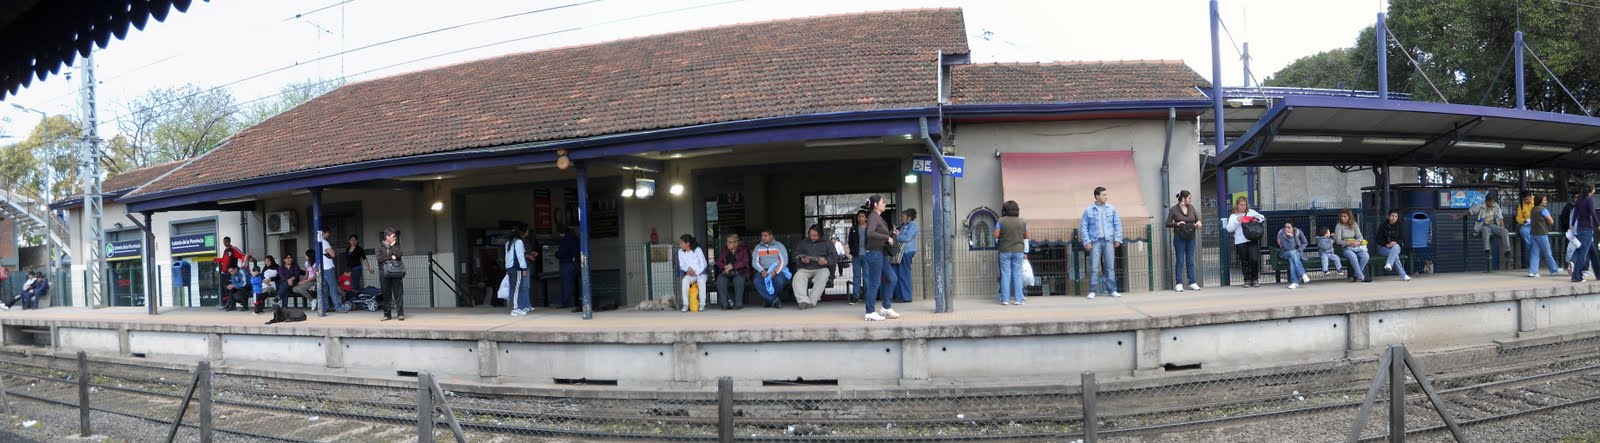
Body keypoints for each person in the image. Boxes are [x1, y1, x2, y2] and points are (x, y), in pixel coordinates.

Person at [861, 195, 900, 321]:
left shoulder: (876, 217)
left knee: (892, 278)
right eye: (883, 202)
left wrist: (891, 235)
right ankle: (870, 311)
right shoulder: (873, 216)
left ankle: (886, 308)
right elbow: (870, 233)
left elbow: (877, 234)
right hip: (874, 253)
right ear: (876, 205)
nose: (885, 204)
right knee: (875, 282)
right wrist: (886, 238)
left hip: (879, 253)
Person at [1081, 187, 1124, 298]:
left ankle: (1112, 290)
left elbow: (1117, 225)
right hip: (1095, 241)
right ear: (1096, 196)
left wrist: (1118, 238)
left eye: (1106, 194)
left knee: (1110, 266)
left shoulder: (1112, 209)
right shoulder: (1088, 210)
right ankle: (1092, 291)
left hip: (1108, 240)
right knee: (1094, 267)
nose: (1106, 197)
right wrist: (1086, 241)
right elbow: (1084, 227)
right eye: (1103, 195)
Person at [1458, 191, 1512, 268]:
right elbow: (1469, 211)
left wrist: (1502, 227)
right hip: (1483, 225)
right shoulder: (1480, 206)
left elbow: (1500, 217)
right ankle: (1487, 250)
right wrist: (1458, 216)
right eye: (1489, 202)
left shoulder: (1496, 206)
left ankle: (1507, 251)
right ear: (1486, 201)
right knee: (1485, 230)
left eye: (1492, 202)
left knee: (1505, 231)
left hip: (1493, 225)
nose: (1490, 204)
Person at [791, 225, 838, 310]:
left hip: (821, 268)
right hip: (805, 268)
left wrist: (826, 261)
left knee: (824, 274)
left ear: (820, 235)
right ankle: (803, 301)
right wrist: (802, 259)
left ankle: (812, 301)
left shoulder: (827, 243)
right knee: (798, 277)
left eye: (814, 236)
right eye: (810, 235)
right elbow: (796, 255)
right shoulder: (803, 242)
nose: (812, 237)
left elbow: (834, 256)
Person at [1224, 197, 1266, 288]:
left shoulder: (1251, 212)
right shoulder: (1233, 216)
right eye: (1241, 205)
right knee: (1245, 261)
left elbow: (1262, 217)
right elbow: (1229, 229)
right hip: (1240, 241)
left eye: (1244, 205)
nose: (1243, 207)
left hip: (1252, 239)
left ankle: (1255, 278)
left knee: (1254, 259)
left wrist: (1255, 218)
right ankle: (1247, 279)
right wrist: (1237, 220)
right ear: (1237, 205)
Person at [1166, 190, 1202, 292]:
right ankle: (1179, 283)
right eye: (1189, 198)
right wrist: (1177, 224)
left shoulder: (1191, 208)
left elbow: (1197, 219)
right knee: (1180, 260)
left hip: (1191, 236)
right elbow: (1167, 223)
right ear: (1183, 199)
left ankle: (1192, 282)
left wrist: (1198, 223)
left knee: (1190, 260)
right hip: (1179, 237)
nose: (1190, 200)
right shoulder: (1174, 209)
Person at [995, 200, 1028, 305]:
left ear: (1004, 211)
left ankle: (1005, 299)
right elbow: (1026, 237)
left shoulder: (1000, 221)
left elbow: (996, 235)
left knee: (1005, 275)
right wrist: (1026, 251)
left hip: (1004, 250)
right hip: (1018, 251)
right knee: (1017, 274)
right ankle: (1018, 299)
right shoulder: (1023, 222)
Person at [751, 228, 790, 308]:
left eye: (765, 236)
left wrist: (775, 271)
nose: (763, 237)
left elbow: (784, 261)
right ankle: (774, 300)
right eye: (762, 236)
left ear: (771, 236)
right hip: (763, 269)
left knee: (779, 281)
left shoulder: (779, 246)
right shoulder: (758, 247)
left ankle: (768, 300)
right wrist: (762, 271)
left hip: (777, 269)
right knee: (757, 281)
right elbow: (755, 261)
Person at [1529, 194, 1563, 278]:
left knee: (1534, 253)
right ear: (1540, 201)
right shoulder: (1543, 210)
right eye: (1544, 200)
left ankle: (1532, 271)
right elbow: (1551, 221)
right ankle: (1553, 269)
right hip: (1542, 233)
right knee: (1548, 252)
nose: (1546, 201)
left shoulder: (1533, 210)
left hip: (1533, 233)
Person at [714, 233, 750, 310]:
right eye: (727, 242)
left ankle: (738, 304)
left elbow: (745, 262)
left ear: (736, 243)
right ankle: (725, 304)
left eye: (730, 242)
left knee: (738, 280)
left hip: (740, 272)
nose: (728, 244)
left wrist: (733, 266)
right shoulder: (725, 250)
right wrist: (725, 266)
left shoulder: (743, 249)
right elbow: (718, 262)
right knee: (720, 279)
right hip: (727, 272)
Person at [1571, 183, 1599, 283]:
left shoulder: (1579, 199)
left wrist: (1572, 225)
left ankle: (1599, 274)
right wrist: (1598, 224)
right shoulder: (1589, 200)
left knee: (1593, 252)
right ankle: (1576, 276)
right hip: (1587, 229)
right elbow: (1592, 212)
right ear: (1591, 190)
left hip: (1580, 229)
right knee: (1582, 253)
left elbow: (1575, 213)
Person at [376, 227, 405, 321]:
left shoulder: (396, 245)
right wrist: (392, 256)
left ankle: (400, 314)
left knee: (398, 293)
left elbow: (399, 255)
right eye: (393, 236)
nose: (395, 238)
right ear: (387, 237)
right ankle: (387, 315)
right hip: (383, 272)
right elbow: (380, 258)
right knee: (386, 294)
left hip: (396, 272)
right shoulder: (379, 246)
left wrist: (393, 247)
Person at [1375, 210, 1413, 282]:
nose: (1394, 218)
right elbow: (1378, 239)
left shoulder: (1400, 226)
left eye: (1396, 216)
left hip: (1396, 247)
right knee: (1395, 256)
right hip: (1383, 248)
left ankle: (1389, 263)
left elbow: (1403, 239)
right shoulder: (1383, 226)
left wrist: (1394, 242)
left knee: (1395, 246)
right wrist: (1386, 244)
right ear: (1388, 216)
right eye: (1392, 216)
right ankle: (1404, 275)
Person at [1336, 208, 1372, 283]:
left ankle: (1356, 275)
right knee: (1353, 256)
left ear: (1349, 217)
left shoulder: (1354, 224)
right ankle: (1362, 277)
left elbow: (1360, 236)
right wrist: (1348, 243)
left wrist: (1358, 242)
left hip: (1356, 247)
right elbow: (1338, 241)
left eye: (1345, 216)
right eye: (1342, 216)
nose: (1343, 218)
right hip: (1345, 248)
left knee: (1366, 256)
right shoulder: (1339, 226)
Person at [316, 230, 346, 316]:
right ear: (324, 233)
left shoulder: (318, 242)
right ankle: (338, 306)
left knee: (324, 288)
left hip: (321, 268)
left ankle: (324, 307)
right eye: (328, 233)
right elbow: (333, 254)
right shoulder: (324, 242)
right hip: (328, 267)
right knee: (333, 287)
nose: (329, 234)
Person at [675, 233, 708, 312]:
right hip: (690, 274)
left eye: (682, 243)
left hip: (701, 273)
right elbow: (682, 265)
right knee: (685, 281)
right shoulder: (680, 252)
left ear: (688, 244)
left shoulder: (697, 250)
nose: (680, 245)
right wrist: (688, 269)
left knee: (701, 281)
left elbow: (704, 264)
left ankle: (702, 304)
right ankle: (686, 304)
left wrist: (696, 272)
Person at [506, 225, 534, 316]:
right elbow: (520, 256)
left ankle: (515, 307)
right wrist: (524, 268)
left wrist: (507, 268)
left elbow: (507, 257)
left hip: (510, 268)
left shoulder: (508, 242)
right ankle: (515, 309)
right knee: (516, 289)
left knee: (512, 289)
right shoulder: (518, 242)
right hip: (516, 268)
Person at [892, 209, 918, 303]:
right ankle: (900, 296)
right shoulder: (902, 226)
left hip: (906, 252)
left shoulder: (912, 226)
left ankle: (906, 297)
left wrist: (898, 236)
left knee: (904, 274)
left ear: (909, 218)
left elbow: (906, 238)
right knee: (898, 274)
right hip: (900, 252)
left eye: (903, 216)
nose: (901, 218)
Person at [1277, 221, 1310, 289]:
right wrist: (1290, 238)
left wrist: (1299, 250)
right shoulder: (1281, 234)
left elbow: (1305, 242)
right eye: (1285, 227)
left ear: (1293, 228)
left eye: (1289, 227)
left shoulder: (1298, 231)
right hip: (1285, 253)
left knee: (1292, 259)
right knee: (1292, 253)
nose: (1286, 229)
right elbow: (1288, 248)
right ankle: (1302, 274)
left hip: (1297, 253)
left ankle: (1295, 282)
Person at [556, 224, 580, 310]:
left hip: (566, 264)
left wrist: (556, 254)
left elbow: (561, 253)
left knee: (566, 285)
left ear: (562, 232)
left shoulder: (564, 240)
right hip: (575, 264)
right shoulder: (575, 239)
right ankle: (576, 302)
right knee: (575, 284)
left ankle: (566, 303)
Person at [848, 210, 869, 305]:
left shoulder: (870, 228)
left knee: (867, 276)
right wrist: (852, 251)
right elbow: (850, 241)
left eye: (862, 216)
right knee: (856, 276)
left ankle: (867, 296)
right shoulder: (853, 228)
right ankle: (855, 296)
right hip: (856, 255)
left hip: (867, 255)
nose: (860, 218)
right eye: (859, 216)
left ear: (866, 218)